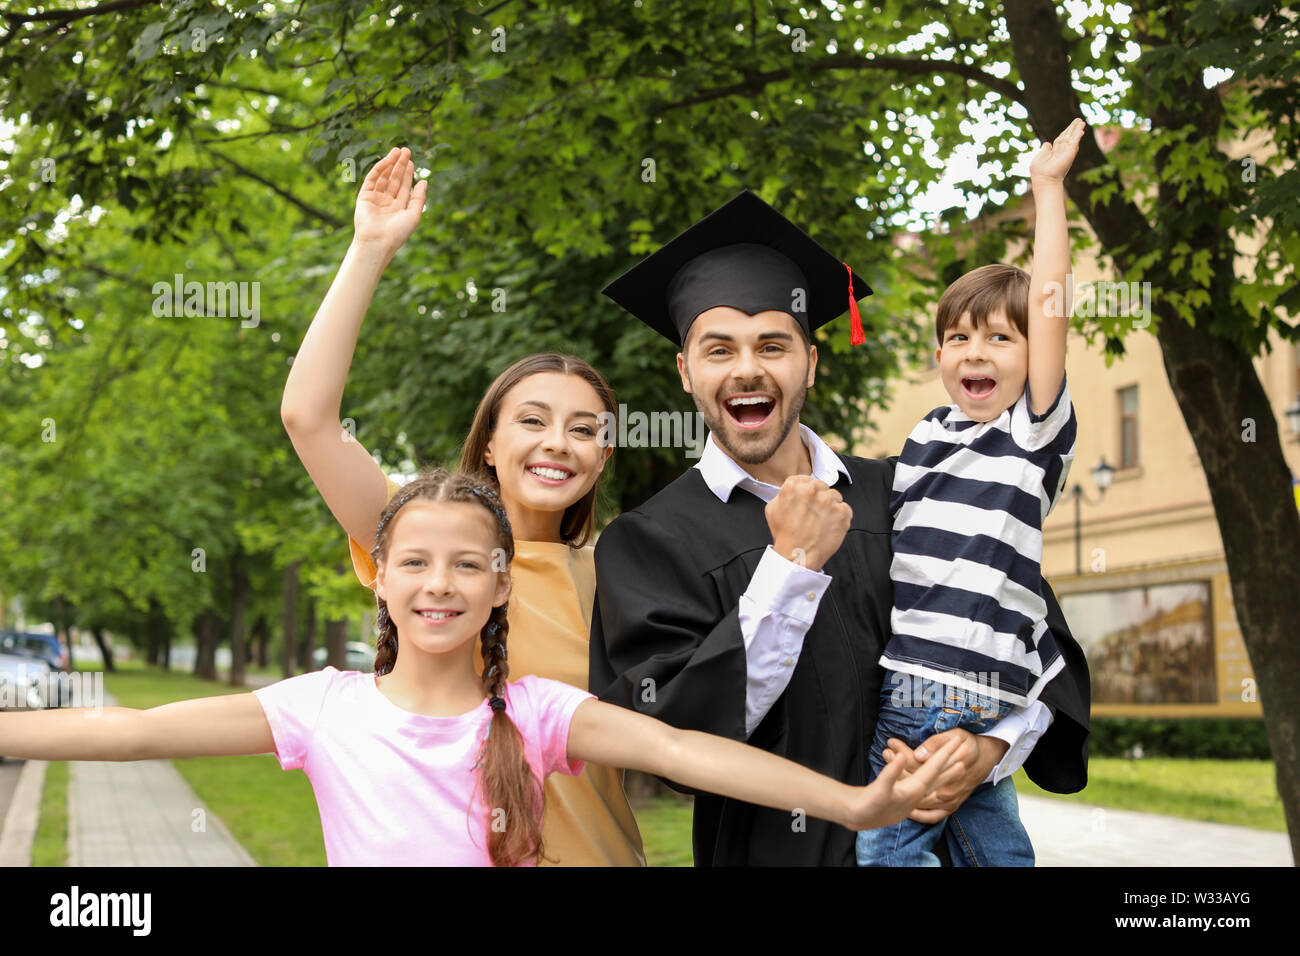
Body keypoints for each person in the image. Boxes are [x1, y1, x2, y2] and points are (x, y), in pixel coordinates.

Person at [0, 469, 967, 866]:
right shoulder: (321, 710)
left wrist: (855, 805)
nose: (440, 585)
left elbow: (685, 748)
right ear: (379, 582)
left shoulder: (538, 713)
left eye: (469, 564)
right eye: (414, 563)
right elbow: (122, 730)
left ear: (502, 587)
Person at [592, 189, 1091, 866]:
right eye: (719, 350)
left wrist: (989, 747)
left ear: (811, 363)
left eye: (773, 344)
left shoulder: (904, 491)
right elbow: (668, 741)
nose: (748, 369)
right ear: (686, 372)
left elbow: (1033, 632)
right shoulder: (649, 543)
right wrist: (789, 566)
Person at [280, 147, 643, 865]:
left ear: (603, 457)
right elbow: (308, 418)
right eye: (533, 421)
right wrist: (370, 249)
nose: (557, 444)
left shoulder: (624, 576)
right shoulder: (432, 546)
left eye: (583, 430)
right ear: (488, 443)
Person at [857, 119, 1086, 867]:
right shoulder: (927, 435)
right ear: (938, 356)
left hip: (978, 688)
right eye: (958, 338)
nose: (974, 352)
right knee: (998, 857)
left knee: (887, 856)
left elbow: (1048, 298)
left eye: (998, 338)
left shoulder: (1031, 433)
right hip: (904, 687)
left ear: (1034, 357)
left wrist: (1046, 189)